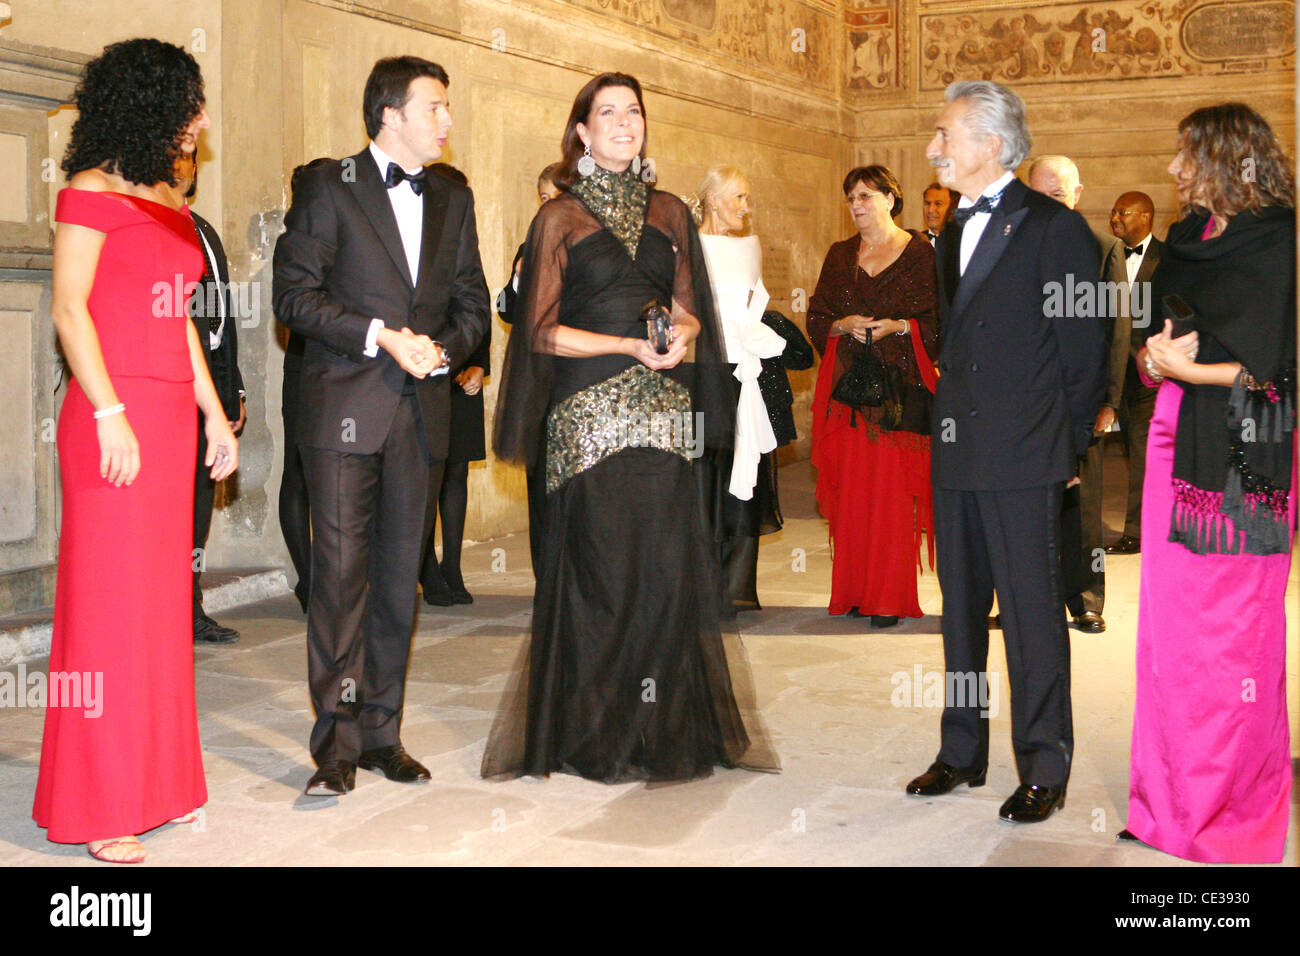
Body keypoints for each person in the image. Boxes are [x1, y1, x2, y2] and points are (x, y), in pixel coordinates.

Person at [484, 72, 778, 783]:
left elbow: (689, 306)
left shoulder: (672, 211)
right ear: (580, 132)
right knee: (598, 569)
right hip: (584, 414)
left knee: (664, 569)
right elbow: (541, 331)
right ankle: (593, 731)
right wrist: (621, 347)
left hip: (665, 412)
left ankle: (661, 728)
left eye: (633, 112)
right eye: (606, 113)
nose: (623, 122)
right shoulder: (559, 218)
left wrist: (679, 337)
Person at [33, 38, 238, 863]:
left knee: (158, 611)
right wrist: (110, 408)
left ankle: (164, 783)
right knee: (109, 613)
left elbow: (176, 318)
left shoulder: (170, 201)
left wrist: (216, 417)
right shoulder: (87, 192)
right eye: (192, 103)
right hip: (109, 417)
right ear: (150, 101)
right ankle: (100, 802)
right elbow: (69, 310)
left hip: (168, 419)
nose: (203, 121)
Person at [272, 56, 491, 797]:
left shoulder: (453, 200)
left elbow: (472, 304)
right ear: (389, 114)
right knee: (339, 583)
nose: (447, 121)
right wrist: (379, 335)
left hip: (420, 415)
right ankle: (334, 744)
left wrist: (445, 348)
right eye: (435, 107)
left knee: (402, 583)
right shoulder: (328, 187)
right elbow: (293, 297)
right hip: (342, 410)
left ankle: (381, 734)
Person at [906, 81, 1106, 824]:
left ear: (991, 143)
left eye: (945, 134)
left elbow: (1085, 351)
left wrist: (1069, 443)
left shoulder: (1056, 228)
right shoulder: (953, 229)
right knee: (960, 616)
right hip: (958, 450)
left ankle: (1044, 762)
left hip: (1024, 456)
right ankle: (960, 751)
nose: (935, 148)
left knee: (1030, 618)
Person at [1122, 103, 1295, 863]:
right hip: (1172, 439)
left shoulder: (1283, 241)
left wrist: (1192, 370)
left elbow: (1283, 373)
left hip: (1243, 458)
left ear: (1228, 160)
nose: (1173, 169)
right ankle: (1168, 806)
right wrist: (1151, 360)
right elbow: (1154, 333)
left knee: (1232, 642)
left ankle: (1230, 812)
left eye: (1185, 156)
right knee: (1170, 636)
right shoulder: (1190, 240)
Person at [807, 165, 939, 628]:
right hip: (849, 395)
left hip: (900, 393)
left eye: (865, 196)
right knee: (854, 497)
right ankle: (855, 592)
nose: (856, 206)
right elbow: (817, 320)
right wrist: (844, 325)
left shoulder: (920, 252)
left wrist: (898, 327)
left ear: (890, 197)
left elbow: (938, 322)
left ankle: (888, 597)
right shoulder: (840, 254)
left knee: (892, 499)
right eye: (850, 198)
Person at [1026, 154, 1126, 634]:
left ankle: (1086, 599)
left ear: (1078, 195)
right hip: (1024, 403)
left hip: (1079, 400)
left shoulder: (1103, 249)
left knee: (1082, 508)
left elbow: (1117, 329)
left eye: (1059, 196)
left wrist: (1109, 398)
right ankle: (1028, 602)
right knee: (1025, 506)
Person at [691, 164, 789, 613]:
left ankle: (734, 585)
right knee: (701, 476)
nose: (746, 208)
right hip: (699, 373)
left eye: (747, 199)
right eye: (738, 198)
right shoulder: (686, 247)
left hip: (744, 375)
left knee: (742, 473)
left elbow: (756, 306)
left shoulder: (750, 249)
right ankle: (697, 583)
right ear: (712, 199)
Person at [180, 153, 248, 644]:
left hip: (210, 393)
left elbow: (220, 324)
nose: (188, 163)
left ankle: (191, 608)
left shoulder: (202, 229)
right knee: (168, 513)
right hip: (168, 389)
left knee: (199, 511)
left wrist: (232, 391)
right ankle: (164, 611)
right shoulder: (153, 225)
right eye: (179, 154)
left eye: (192, 156)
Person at [420, 162, 490, 606]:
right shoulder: (418, 240)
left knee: (458, 470)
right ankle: (426, 566)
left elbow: (477, 303)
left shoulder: (463, 239)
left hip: (462, 370)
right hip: (424, 372)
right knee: (428, 473)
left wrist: (478, 367)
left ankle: (453, 567)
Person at [498, 163, 561, 575]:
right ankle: (548, 582)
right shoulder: (529, 246)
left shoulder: (592, 246)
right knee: (540, 488)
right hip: (540, 387)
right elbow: (505, 309)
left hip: (581, 383)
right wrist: (520, 279)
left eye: (556, 197)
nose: (549, 206)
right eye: (543, 198)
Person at [278, 158, 332, 615]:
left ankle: (336, 578)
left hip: (348, 373)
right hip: (304, 367)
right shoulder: (294, 242)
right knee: (297, 469)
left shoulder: (350, 233)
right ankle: (308, 578)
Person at [1104, 191, 1163, 555]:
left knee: (1142, 451)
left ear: (1145, 216)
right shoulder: (1105, 255)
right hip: (1115, 373)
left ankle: (1138, 532)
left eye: (1122, 212)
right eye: (1113, 211)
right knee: (1130, 449)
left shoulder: (1167, 258)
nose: (1114, 218)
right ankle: (1150, 526)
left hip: (1150, 374)